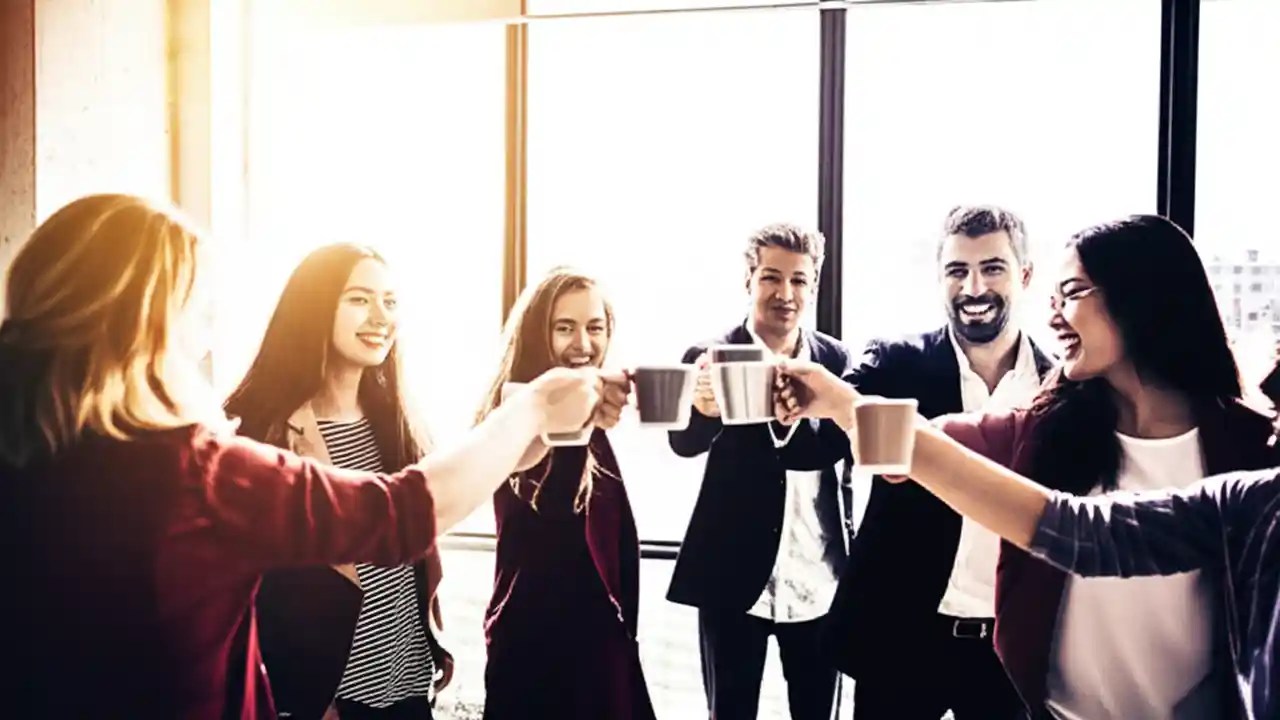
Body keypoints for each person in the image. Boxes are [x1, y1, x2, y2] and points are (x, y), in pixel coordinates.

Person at [0, 194, 618, 719]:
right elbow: (397, 514)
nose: (204, 339)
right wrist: (531, 408)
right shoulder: (198, 471)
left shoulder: (34, 467)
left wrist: (524, 439)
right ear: (147, 320)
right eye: (198, 313)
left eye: (391, 301)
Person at [789, 214, 1279, 720]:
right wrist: (835, 400)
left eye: (1073, 293)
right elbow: (924, 444)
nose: (1055, 317)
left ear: (1140, 297)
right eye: (1054, 298)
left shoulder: (1253, 449)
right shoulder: (1046, 430)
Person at [775, 362, 1280, 720]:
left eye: (1075, 291)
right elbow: (1079, 531)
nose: (1269, 387)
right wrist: (846, 406)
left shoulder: (1244, 454)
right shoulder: (1249, 500)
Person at [824, 205, 1051, 720]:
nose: (973, 288)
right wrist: (793, 399)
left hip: (1009, 650)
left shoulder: (1057, 387)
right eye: (957, 270)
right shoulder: (895, 362)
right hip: (902, 639)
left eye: (992, 268)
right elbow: (820, 439)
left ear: (1025, 275)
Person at [224, 244, 448, 719]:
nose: (381, 316)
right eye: (359, 299)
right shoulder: (261, 430)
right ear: (315, 306)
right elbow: (244, 590)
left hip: (409, 688)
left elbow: (413, 553)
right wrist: (302, 698)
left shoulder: (399, 421)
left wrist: (433, 640)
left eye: (390, 301)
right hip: (325, 700)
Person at [667, 223, 853, 720]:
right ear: (748, 279)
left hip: (817, 575)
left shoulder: (834, 359)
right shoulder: (708, 356)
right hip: (731, 577)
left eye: (799, 280)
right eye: (771, 277)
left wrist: (794, 421)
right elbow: (682, 444)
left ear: (813, 287)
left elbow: (838, 447)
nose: (785, 294)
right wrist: (704, 411)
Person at [475, 266, 654, 720]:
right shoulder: (514, 411)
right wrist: (579, 422)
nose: (583, 344)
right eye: (565, 328)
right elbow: (552, 511)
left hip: (599, 643)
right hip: (536, 648)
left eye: (595, 327)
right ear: (538, 335)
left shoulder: (586, 410)